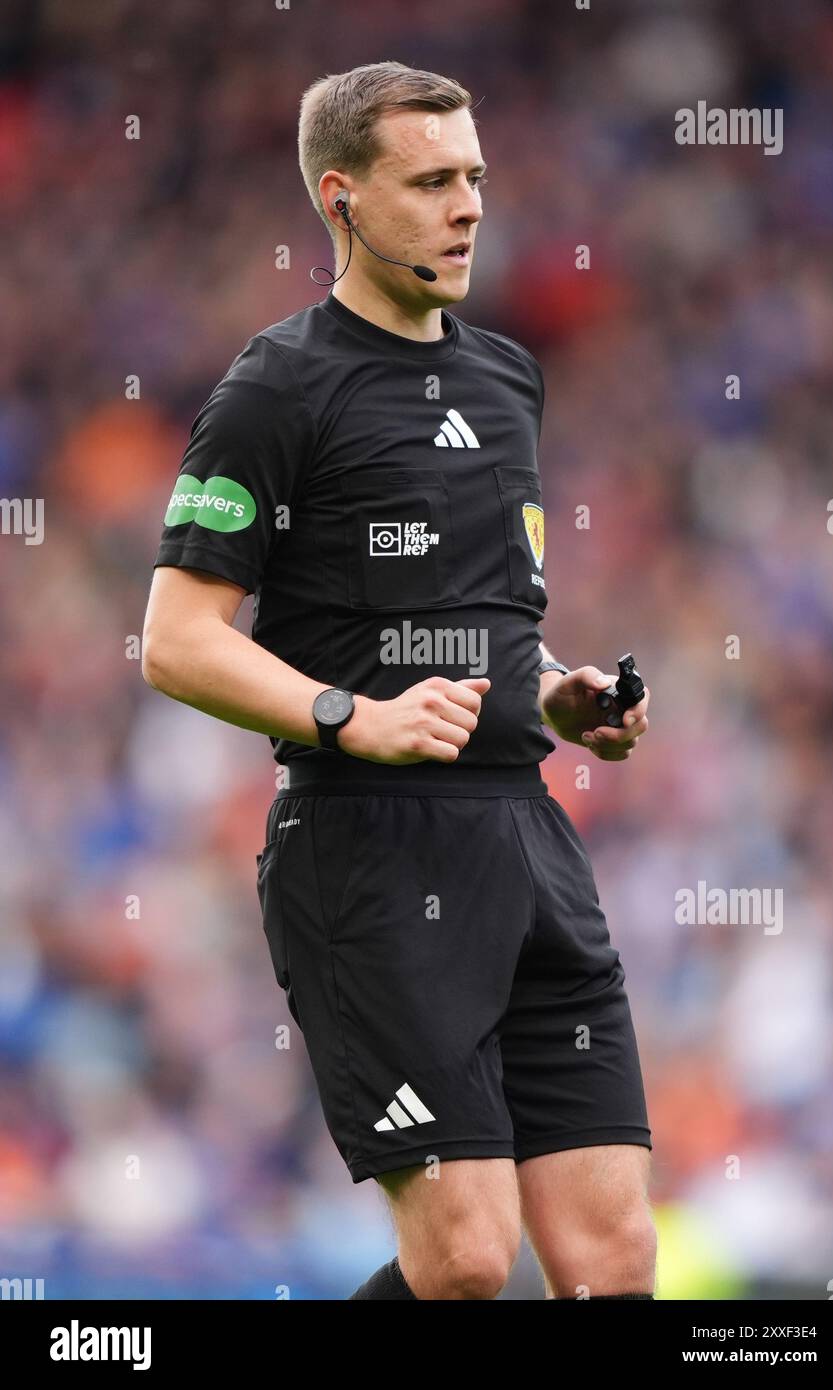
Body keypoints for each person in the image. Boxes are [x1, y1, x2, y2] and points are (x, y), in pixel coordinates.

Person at [142, 59, 655, 1301]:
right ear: (344, 200)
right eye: (431, 183)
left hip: (525, 836)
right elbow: (175, 639)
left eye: (475, 177)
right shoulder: (275, 388)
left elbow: (490, 636)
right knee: (472, 1261)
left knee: (612, 1258)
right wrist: (351, 717)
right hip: (366, 849)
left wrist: (560, 700)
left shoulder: (506, 378)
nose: (470, 206)